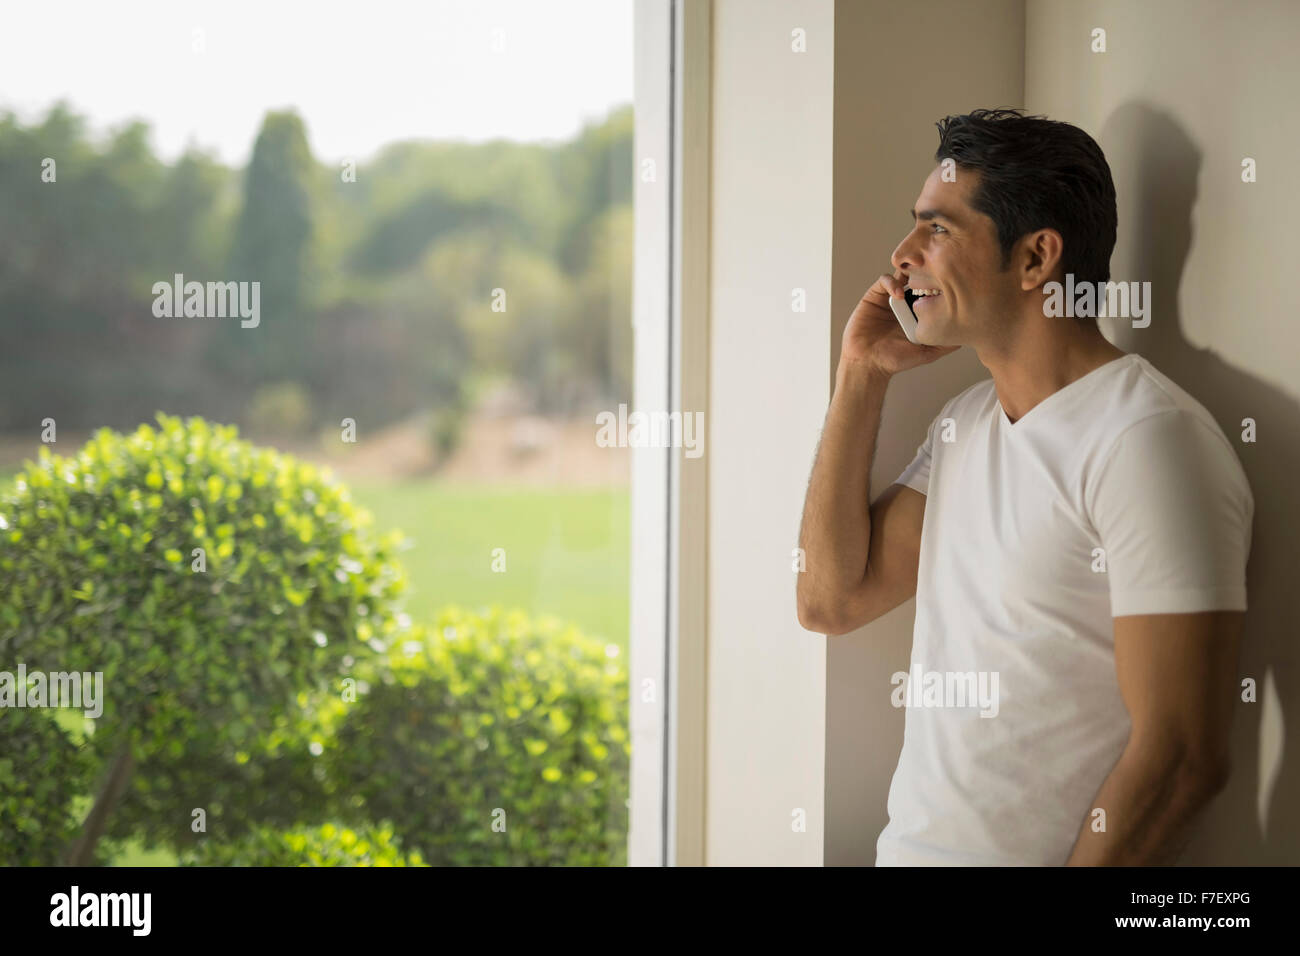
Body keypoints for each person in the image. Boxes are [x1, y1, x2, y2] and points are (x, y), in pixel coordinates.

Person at [795, 108, 1253, 866]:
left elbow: (1181, 763)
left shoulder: (1148, 441)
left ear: (1036, 257)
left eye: (937, 229)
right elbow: (829, 601)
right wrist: (859, 376)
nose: (902, 254)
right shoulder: (965, 425)